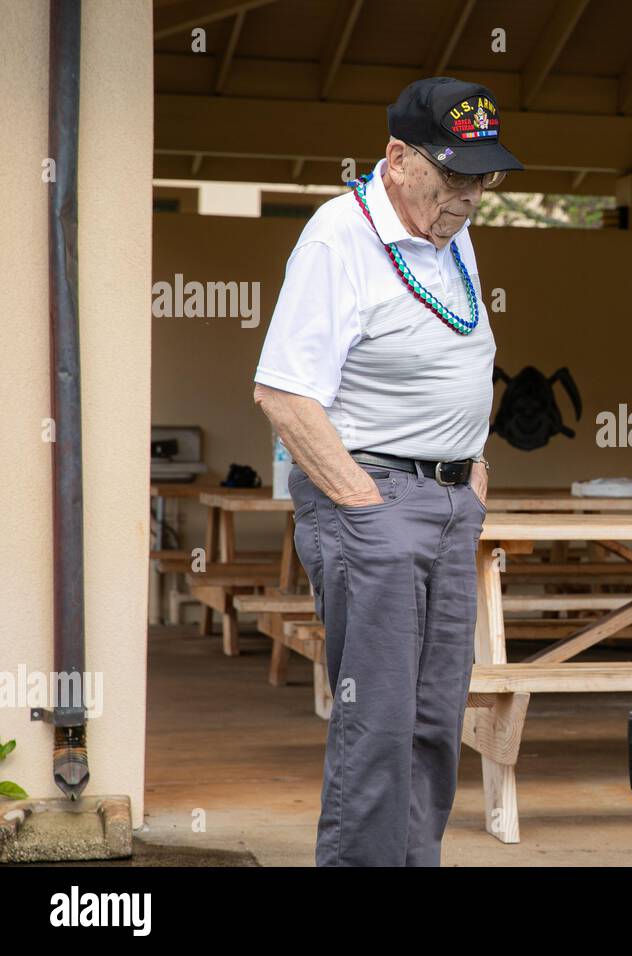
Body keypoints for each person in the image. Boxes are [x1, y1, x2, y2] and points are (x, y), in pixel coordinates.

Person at [251, 77, 522, 866]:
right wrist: (362, 502)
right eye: (455, 175)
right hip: (375, 503)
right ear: (398, 158)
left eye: (484, 177)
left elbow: (456, 360)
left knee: (436, 722)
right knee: (379, 726)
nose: (471, 194)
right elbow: (283, 391)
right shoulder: (340, 237)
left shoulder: (448, 234)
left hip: (446, 504)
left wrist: (471, 469)